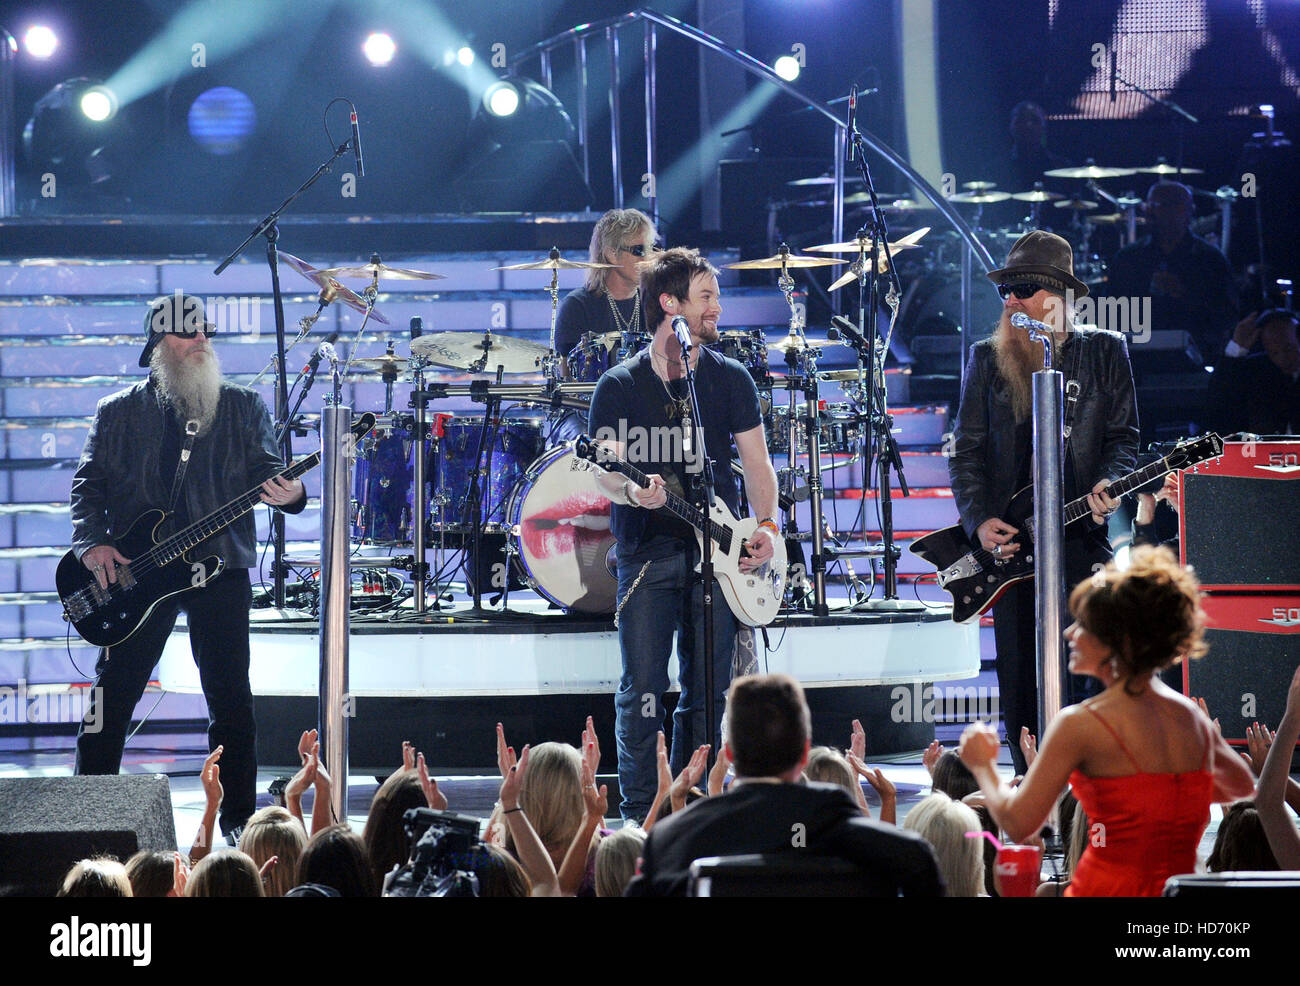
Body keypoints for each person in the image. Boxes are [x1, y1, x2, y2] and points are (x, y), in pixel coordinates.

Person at [70, 292, 307, 839]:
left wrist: (291, 492)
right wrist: (91, 545)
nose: (201, 343)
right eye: (187, 335)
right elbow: (88, 487)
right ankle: (87, 808)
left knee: (231, 698)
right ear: (158, 344)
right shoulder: (117, 411)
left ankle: (239, 823)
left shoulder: (244, 407)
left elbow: (274, 473)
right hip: (136, 571)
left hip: (218, 569)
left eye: (206, 334)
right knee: (114, 693)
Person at [588, 247, 779, 822]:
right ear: (670, 306)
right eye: (707, 298)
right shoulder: (619, 385)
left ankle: (695, 805)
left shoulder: (727, 379)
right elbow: (605, 468)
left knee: (708, 692)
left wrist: (766, 524)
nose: (717, 309)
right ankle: (640, 816)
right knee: (642, 690)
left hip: (717, 558)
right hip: (647, 552)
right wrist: (631, 491)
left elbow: (759, 466)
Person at [948, 230, 1139, 774]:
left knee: (1090, 659)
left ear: (1056, 296)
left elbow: (1124, 438)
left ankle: (1090, 781)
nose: (1009, 299)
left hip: (1081, 534)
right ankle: (1031, 785)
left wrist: (1109, 482)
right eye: (1005, 288)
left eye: (1023, 288)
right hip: (1012, 544)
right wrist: (980, 519)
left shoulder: (1105, 351)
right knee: (1019, 670)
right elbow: (966, 451)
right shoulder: (986, 359)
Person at [958, 547, 1256, 897]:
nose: (1070, 634)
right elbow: (1241, 786)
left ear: (1119, 642)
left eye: (1084, 625)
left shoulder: (1080, 724)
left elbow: (1019, 823)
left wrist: (984, 768)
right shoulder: (1190, 716)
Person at [627, 673, 943, 897]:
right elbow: (920, 860)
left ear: (731, 754)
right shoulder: (869, 841)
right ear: (805, 753)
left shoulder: (669, 845)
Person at [1105, 181, 1239, 362]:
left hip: (1198, 359)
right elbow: (1110, 315)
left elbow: (1228, 316)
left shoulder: (1210, 259)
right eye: (1158, 206)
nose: (1166, 213)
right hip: (1137, 361)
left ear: (1189, 210)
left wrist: (1185, 294)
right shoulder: (1128, 258)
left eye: (1174, 205)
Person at [555, 208, 658, 381]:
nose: (648, 258)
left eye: (650, 248)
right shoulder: (577, 306)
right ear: (612, 254)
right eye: (639, 250)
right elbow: (567, 380)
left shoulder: (654, 301)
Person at [1207, 308, 1300, 435]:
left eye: (1289, 348)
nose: (1283, 358)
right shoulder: (1256, 370)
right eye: (1274, 352)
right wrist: (1236, 348)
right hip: (1261, 451)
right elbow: (1218, 399)